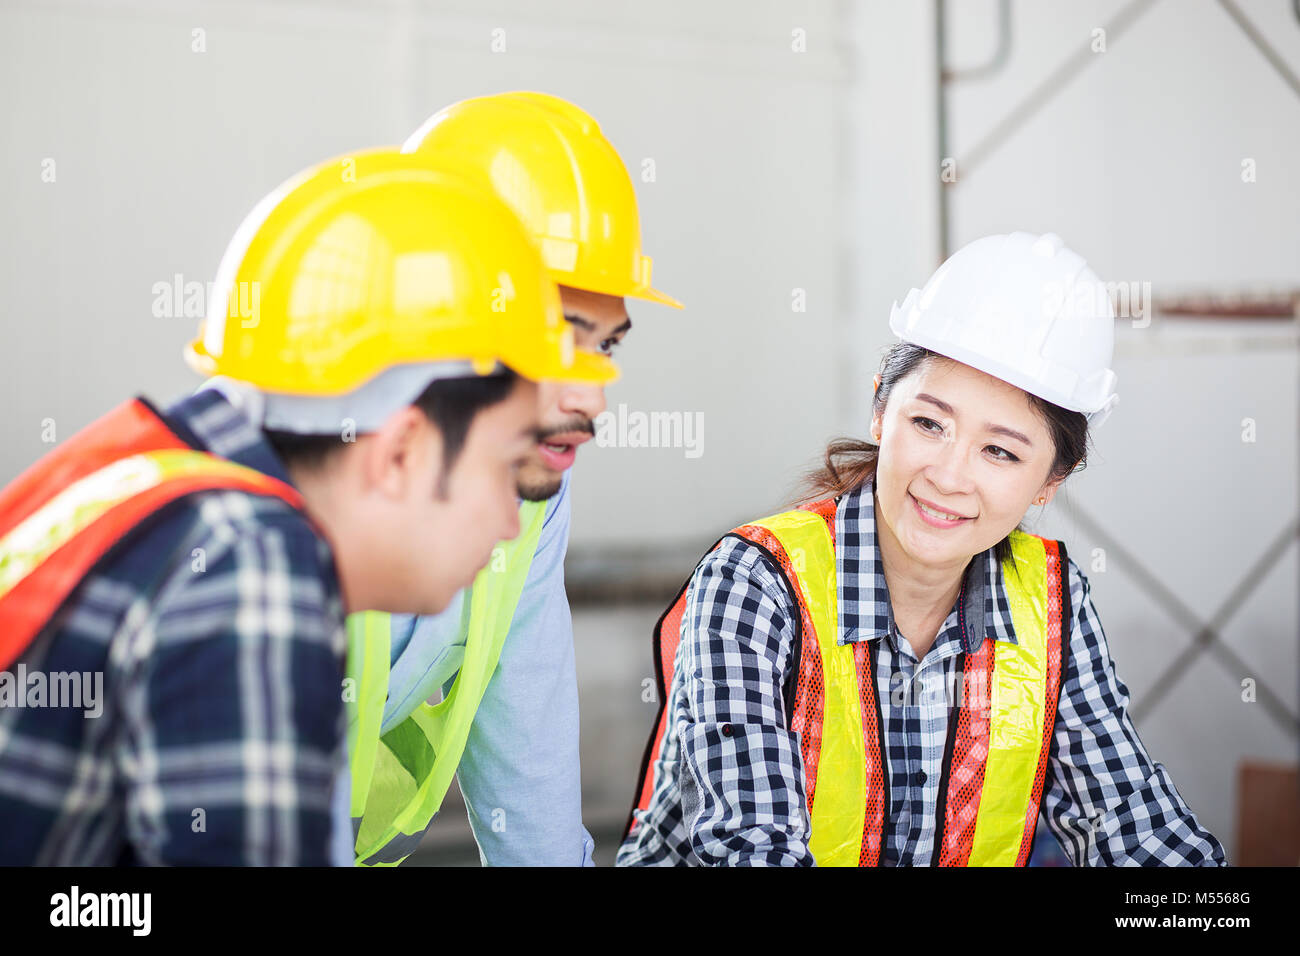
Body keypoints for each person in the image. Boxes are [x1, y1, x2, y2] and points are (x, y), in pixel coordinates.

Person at [0, 147, 607, 864]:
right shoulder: (251, 569)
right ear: (401, 451)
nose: (516, 524)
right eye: (508, 468)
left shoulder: (147, 480)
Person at [618, 232, 1226, 866]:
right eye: (929, 423)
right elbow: (748, 849)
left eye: (1001, 451)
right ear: (882, 408)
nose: (948, 476)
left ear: (1051, 481)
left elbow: (1130, 823)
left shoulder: (1050, 603)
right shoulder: (756, 583)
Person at [342, 91, 682, 867]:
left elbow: (531, 790)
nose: (591, 399)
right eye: (551, 340)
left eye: (604, 347)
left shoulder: (532, 496)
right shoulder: (286, 509)